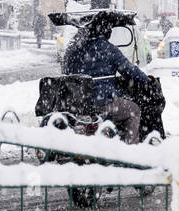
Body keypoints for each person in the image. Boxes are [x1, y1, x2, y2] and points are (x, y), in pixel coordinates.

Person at [62, 13, 148, 143]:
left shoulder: (73, 50)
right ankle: (130, 149)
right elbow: (129, 70)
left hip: (77, 103)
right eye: (110, 30)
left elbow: (67, 72)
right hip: (102, 102)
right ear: (105, 31)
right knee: (134, 110)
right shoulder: (108, 49)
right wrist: (146, 80)